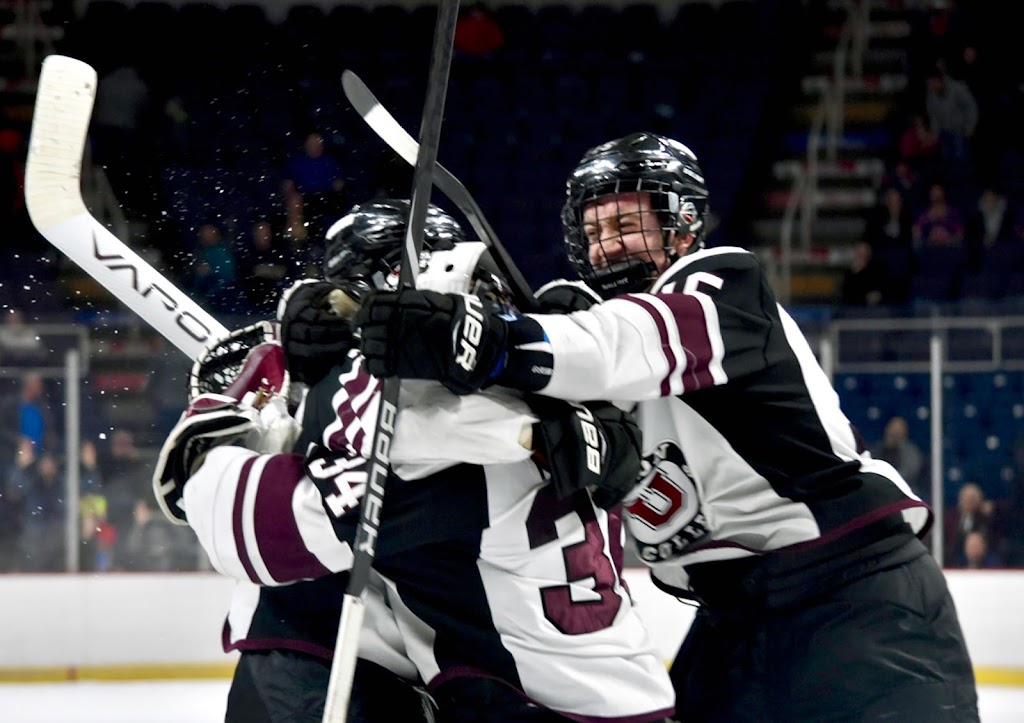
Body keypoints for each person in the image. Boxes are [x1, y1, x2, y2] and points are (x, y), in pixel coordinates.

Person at [354, 132, 980, 722]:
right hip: (733, 618)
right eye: (596, 232)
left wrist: (493, 340)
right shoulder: (597, 351)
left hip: (855, 595)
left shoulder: (721, 283)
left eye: (628, 223)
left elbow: (627, 344)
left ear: (683, 225)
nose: (608, 246)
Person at [154, 199, 674, 722]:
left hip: (488, 691)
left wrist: (232, 427)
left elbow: (249, 527)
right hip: (619, 685)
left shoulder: (409, 431)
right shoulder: (540, 375)